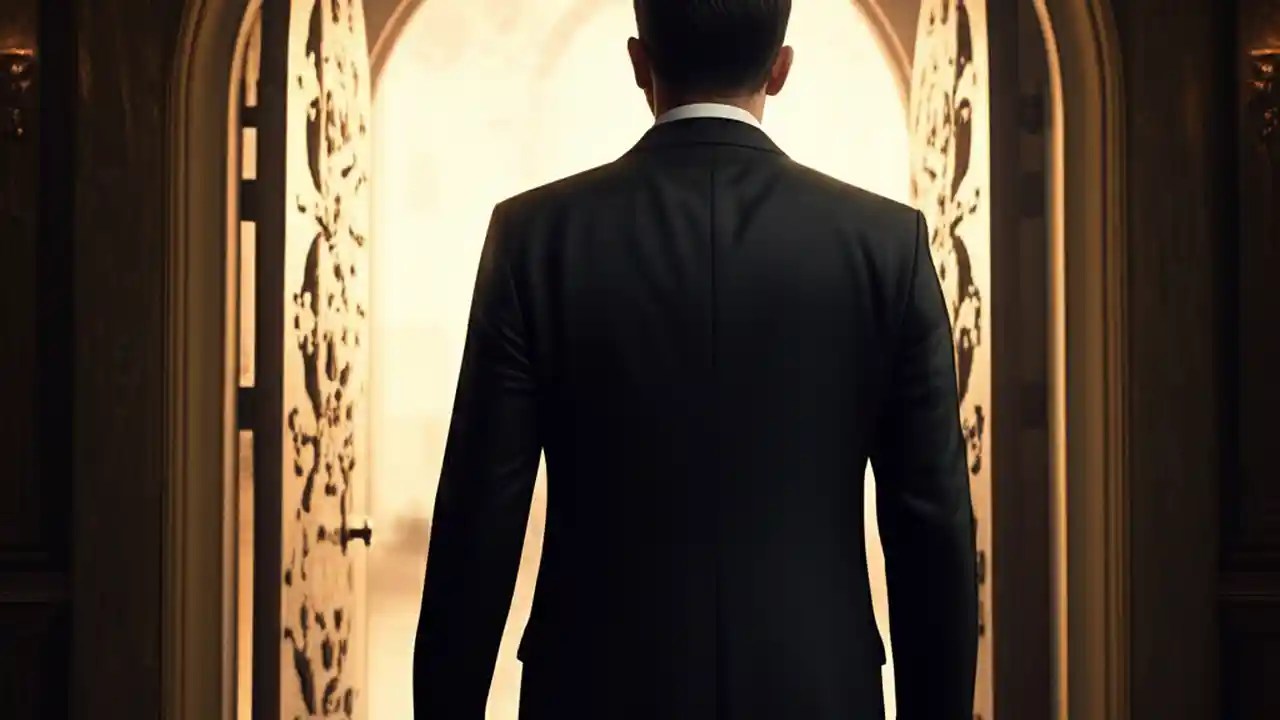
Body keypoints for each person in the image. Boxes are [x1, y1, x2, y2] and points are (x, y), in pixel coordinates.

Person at [412, 1, 977, 717]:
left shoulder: (534, 239)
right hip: (816, 688)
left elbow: (477, 523)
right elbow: (931, 530)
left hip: (590, 690)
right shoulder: (886, 247)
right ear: (780, 69)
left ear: (639, 63)